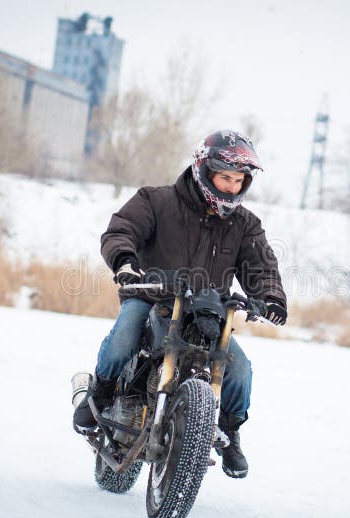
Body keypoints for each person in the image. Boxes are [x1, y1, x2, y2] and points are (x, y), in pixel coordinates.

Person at [73, 130, 287, 479]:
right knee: (124, 338)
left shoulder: (245, 224)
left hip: (207, 309)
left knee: (240, 371)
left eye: (238, 180)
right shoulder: (156, 201)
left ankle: (229, 433)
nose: (232, 187)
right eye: (225, 177)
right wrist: (125, 263)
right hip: (152, 296)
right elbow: (121, 229)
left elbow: (262, 267)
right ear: (204, 171)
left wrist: (270, 298)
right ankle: (100, 394)